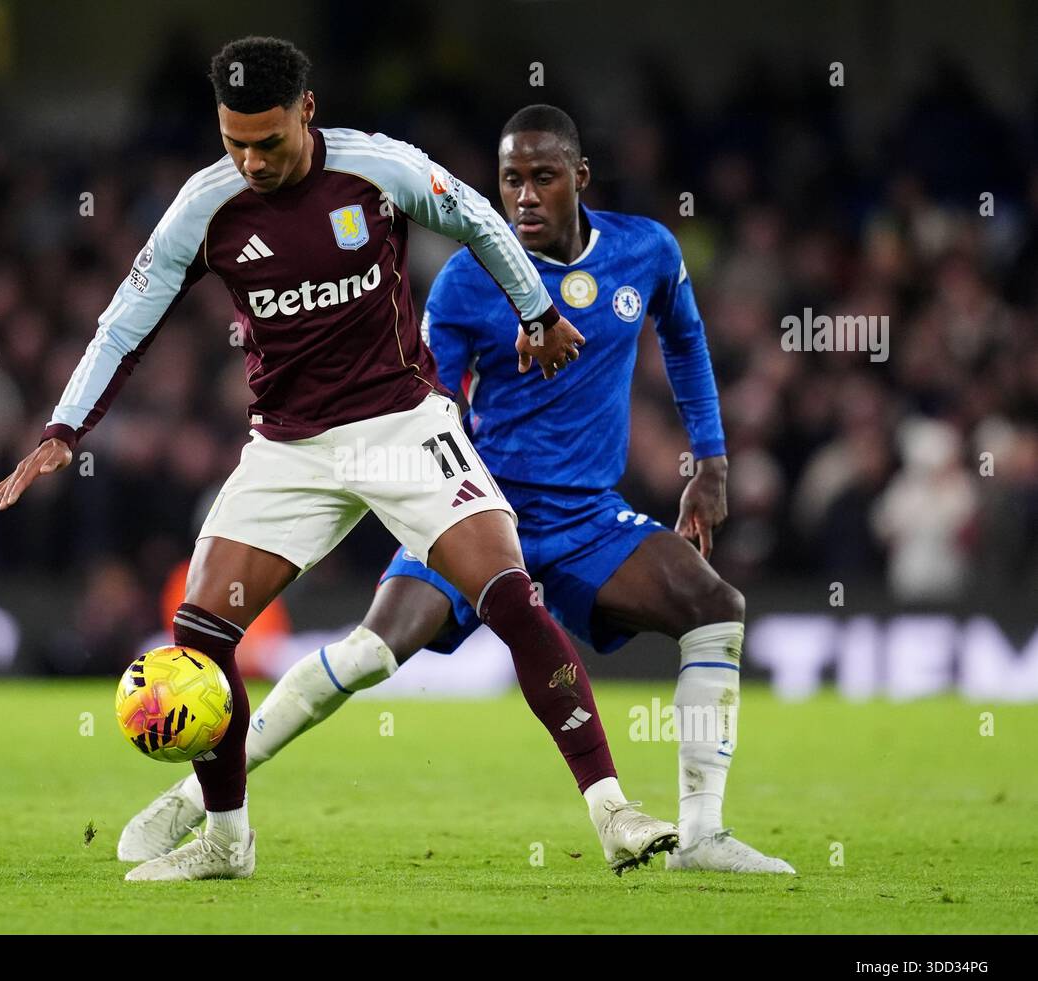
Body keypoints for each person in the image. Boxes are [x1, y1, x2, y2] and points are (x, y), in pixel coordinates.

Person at [0, 42, 677, 881]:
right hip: (289, 446)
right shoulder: (204, 206)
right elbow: (125, 321)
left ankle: (613, 813)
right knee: (199, 637)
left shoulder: (378, 169)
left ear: (306, 112)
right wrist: (66, 427)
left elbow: (474, 215)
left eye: (267, 143)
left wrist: (535, 310)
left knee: (508, 595)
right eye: (233, 141)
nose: (250, 161)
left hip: (402, 426)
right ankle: (226, 840)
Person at [118, 103, 794, 875]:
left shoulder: (645, 250)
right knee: (371, 653)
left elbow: (685, 336)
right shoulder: (472, 280)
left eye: (543, 178)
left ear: (580, 177)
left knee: (716, 608)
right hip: (475, 506)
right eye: (511, 181)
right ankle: (196, 800)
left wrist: (709, 460)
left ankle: (701, 835)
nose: (525, 197)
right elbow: (408, 392)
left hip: (584, 515)